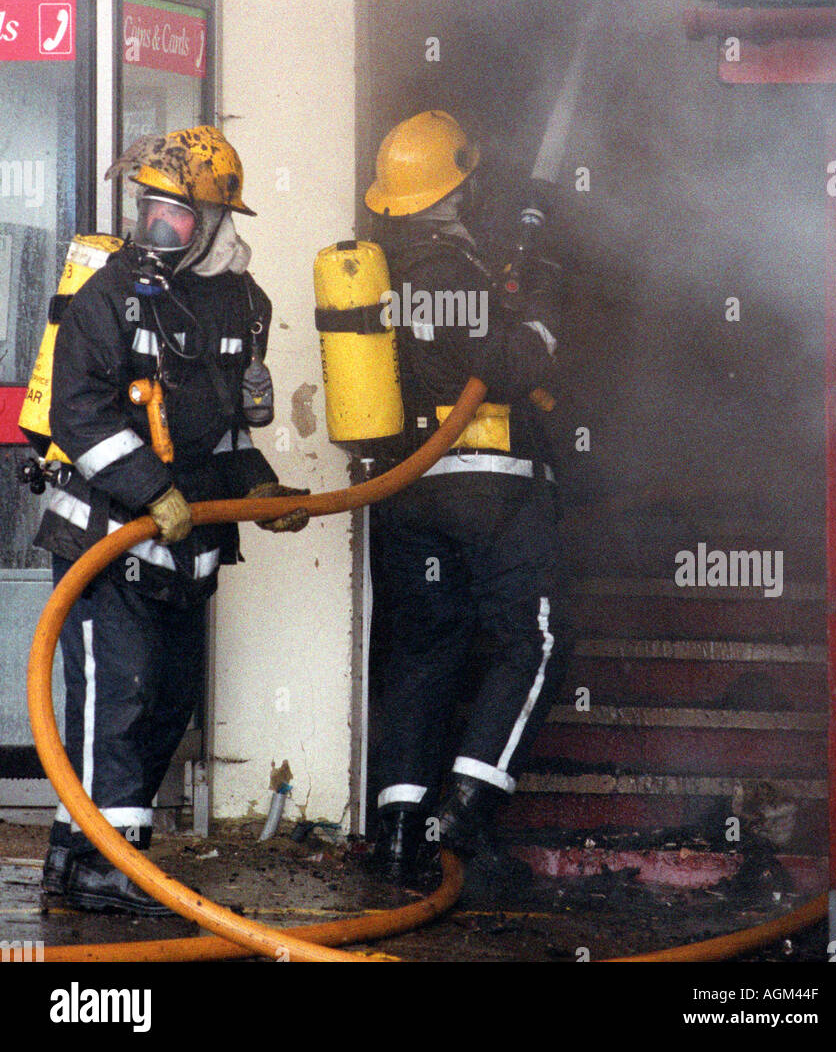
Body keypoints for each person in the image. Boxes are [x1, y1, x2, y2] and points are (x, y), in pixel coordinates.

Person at [36, 125, 308, 915]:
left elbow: (226, 429)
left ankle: (79, 854)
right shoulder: (110, 294)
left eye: (178, 213)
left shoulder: (245, 303)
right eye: (149, 207)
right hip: (105, 534)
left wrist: (258, 487)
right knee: (115, 696)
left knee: (168, 700)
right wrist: (149, 488)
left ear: (218, 224)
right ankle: (108, 866)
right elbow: (77, 412)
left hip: (188, 545)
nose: (158, 225)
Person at [365, 109, 571, 883]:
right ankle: (464, 815)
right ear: (456, 186)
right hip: (487, 486)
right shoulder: (452, 273)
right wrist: (543, 304)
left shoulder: (396, 270)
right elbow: (511, 365)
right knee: (538, 643)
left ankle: (397, 835)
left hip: (409, 494)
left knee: (424, 654)